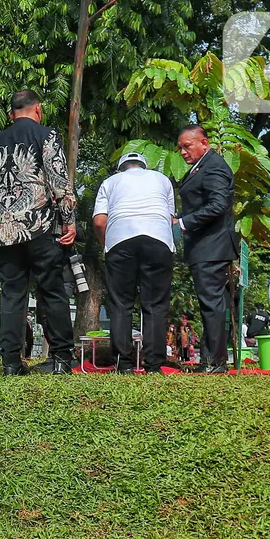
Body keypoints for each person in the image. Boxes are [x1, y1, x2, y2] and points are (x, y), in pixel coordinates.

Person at [0, 90, 76, 376]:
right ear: (39, 109)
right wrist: (69, 221)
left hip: (4, 231)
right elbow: (60, 183)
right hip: (39, 226)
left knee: (12, 294)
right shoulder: (46, 136)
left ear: (11, 113)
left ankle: (11, 362)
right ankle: (61, 359)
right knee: (52, 290)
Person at [92, 151, 175, 374]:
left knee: (121, 304)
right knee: (155, 304)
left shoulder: (110, 182)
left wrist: (106, 244)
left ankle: (123, 365)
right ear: (144, 167)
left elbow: (100, 222)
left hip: (120, 241)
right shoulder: (162, 180)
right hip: (158, 240)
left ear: (121, 169)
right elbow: (170, 219)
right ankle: (155, 366)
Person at [176, 125, 237, 374]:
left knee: (211, 304)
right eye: (180, 148)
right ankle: (211, 359)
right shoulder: (203, 166)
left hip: (212, 246)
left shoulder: (213, 167)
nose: (182, 152)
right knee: (209, 304)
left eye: (187, 146)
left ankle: (214, 362)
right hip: (206, 246)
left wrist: (183, 222)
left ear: (204, 142)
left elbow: (217, 205)